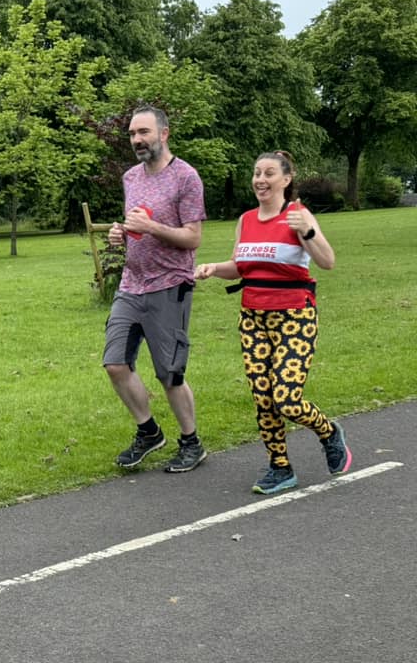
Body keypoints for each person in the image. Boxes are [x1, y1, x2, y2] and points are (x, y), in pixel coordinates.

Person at [195, 150, 351, 494]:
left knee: (287, 397)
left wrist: (308, 232)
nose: (260, 180)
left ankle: (328, 432)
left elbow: (327, 262)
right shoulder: (246, 219)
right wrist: (212, 269)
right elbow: (240, 265)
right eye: (256, 173)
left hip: (294, 317)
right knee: (263, 397)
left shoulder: (298, 215)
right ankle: (279, 467)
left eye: (268, 174)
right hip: (253, 318)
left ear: (286, 178)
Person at [103, 105, 207, 473]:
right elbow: (135, 225)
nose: (136, 140)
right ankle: (148, 432)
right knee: (115, 363)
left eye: (143, 132)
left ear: (164, 133)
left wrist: (153, 228)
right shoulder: (131, 177)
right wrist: (121, 233)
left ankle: (191, 442)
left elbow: (192, 237)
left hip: (169, 285)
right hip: (132, 285)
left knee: (169, 374)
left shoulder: (186, 178)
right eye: (132, 134)